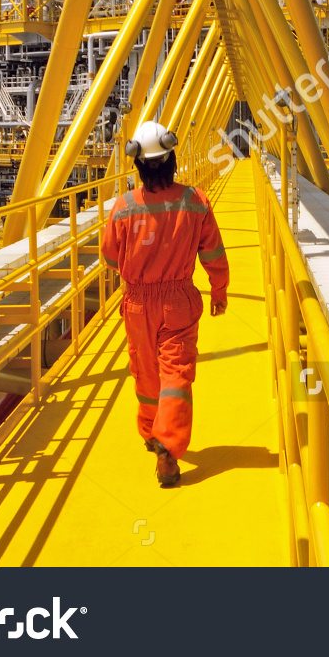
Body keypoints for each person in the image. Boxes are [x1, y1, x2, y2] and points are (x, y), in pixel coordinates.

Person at [100, 121, 229, 487]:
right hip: (178, 302)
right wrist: (219, 292)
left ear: (137, 166)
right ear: (172, 159)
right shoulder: (195, 201)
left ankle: (151, 431)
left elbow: (110, 259)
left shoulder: (123, 208)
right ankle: (168, 450)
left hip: (138, 304)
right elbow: (214, 254)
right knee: (176, 374)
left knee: (146, 375)